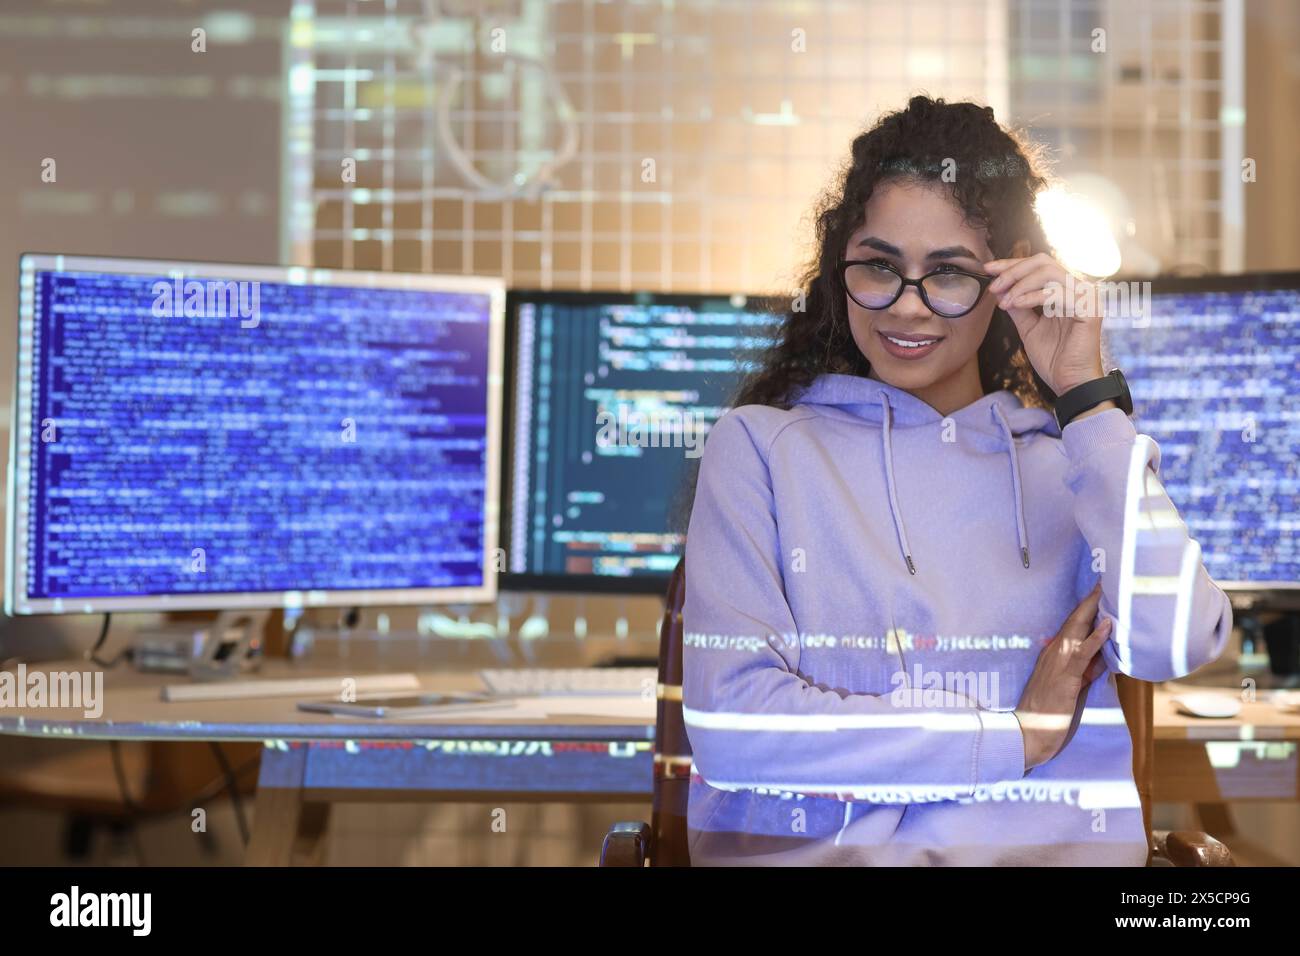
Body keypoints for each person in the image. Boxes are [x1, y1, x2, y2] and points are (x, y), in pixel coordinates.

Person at [681, 94, 1232, 865]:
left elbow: (1177, 642)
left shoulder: (1070, 463)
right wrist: (1011, 737)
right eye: (879, 266)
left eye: (949, 274)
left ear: (1008, 280)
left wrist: (1085, 397)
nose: (908, 308)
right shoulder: (762, 448)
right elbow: (736, 728)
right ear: (842, 265)